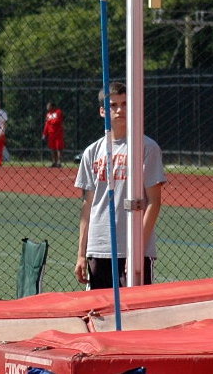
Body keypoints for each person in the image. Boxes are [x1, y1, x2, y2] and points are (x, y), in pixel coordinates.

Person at [74, 81, 166, 290]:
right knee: (99, 311)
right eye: (113, 105)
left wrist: (136, 250)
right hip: (99, 247)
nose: (119, 110)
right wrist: (81, 253)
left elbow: (154, 202)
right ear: (102, 111)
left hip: (132, 249)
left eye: (125, 104)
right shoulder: (91, 152)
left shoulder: (147, 148)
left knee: (136, 311)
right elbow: (88, 205)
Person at [42, 101, 65, 168]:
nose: (47, 107)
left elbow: (57, 121)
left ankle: (59, 162)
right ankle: (54, 162)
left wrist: (49, 121)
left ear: (52, 106)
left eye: (48, 106)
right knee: (52, 148)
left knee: (59, 148)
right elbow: (46, 125)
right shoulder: (48, 114)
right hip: (51, 134)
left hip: (58, 134)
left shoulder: (58, 112)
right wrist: (44, 133)